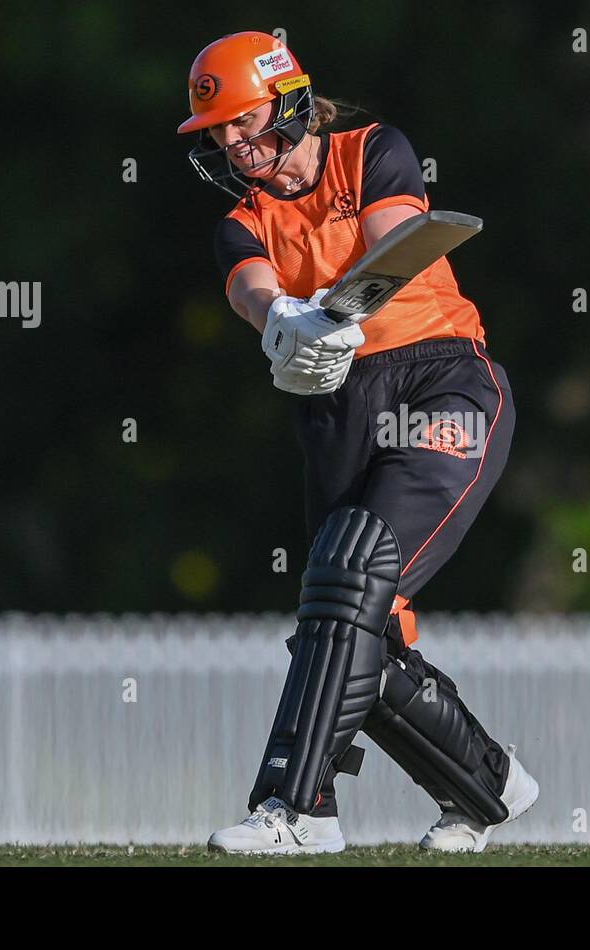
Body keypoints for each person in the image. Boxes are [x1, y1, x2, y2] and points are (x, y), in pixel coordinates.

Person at [179, 31, 537, 854]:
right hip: (340, 411)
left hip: (442, 381)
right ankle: (486, 784)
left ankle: (296, 808)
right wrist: (283, 325)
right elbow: (251, 286)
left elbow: (396, 247)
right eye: (218, 133)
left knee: (349, 582)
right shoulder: (241, 221)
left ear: (291, 100)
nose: (233, 143)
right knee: (347, 631)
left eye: (243, 120)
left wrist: (343, 310)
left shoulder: (373, 150)